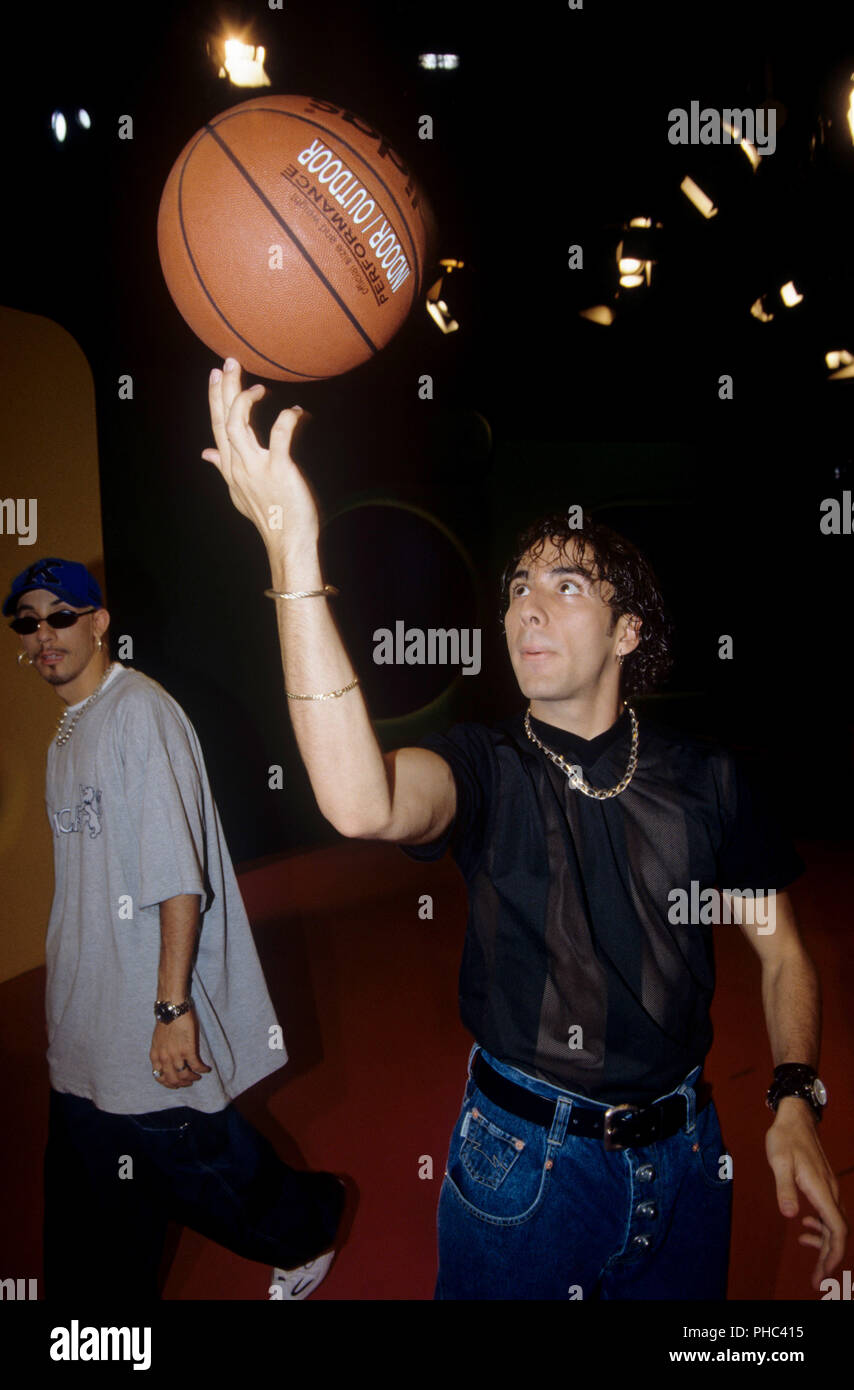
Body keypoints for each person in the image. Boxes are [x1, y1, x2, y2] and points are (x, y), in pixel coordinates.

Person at [203, 356, 847, 1300]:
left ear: (628, 633)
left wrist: (795, 1095)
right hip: (524, 1169)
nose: (525, 606)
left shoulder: (710, 780)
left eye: (565, 585)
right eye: (515, 587)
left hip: (687, 1157)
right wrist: (293, 554)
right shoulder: (485, 766)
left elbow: (782, 952)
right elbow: (359, 800)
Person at [5, 556, 345, 1300]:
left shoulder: (139, 713)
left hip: (143, 1004)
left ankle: (310, 1224)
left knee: (191, 1151)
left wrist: (171, 1008)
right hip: (85, 1014)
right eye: (27, 622)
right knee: (92, 1187)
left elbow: (176, 876)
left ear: (99, 623)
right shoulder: (69, 734)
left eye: (61, 616)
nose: (43, 634)